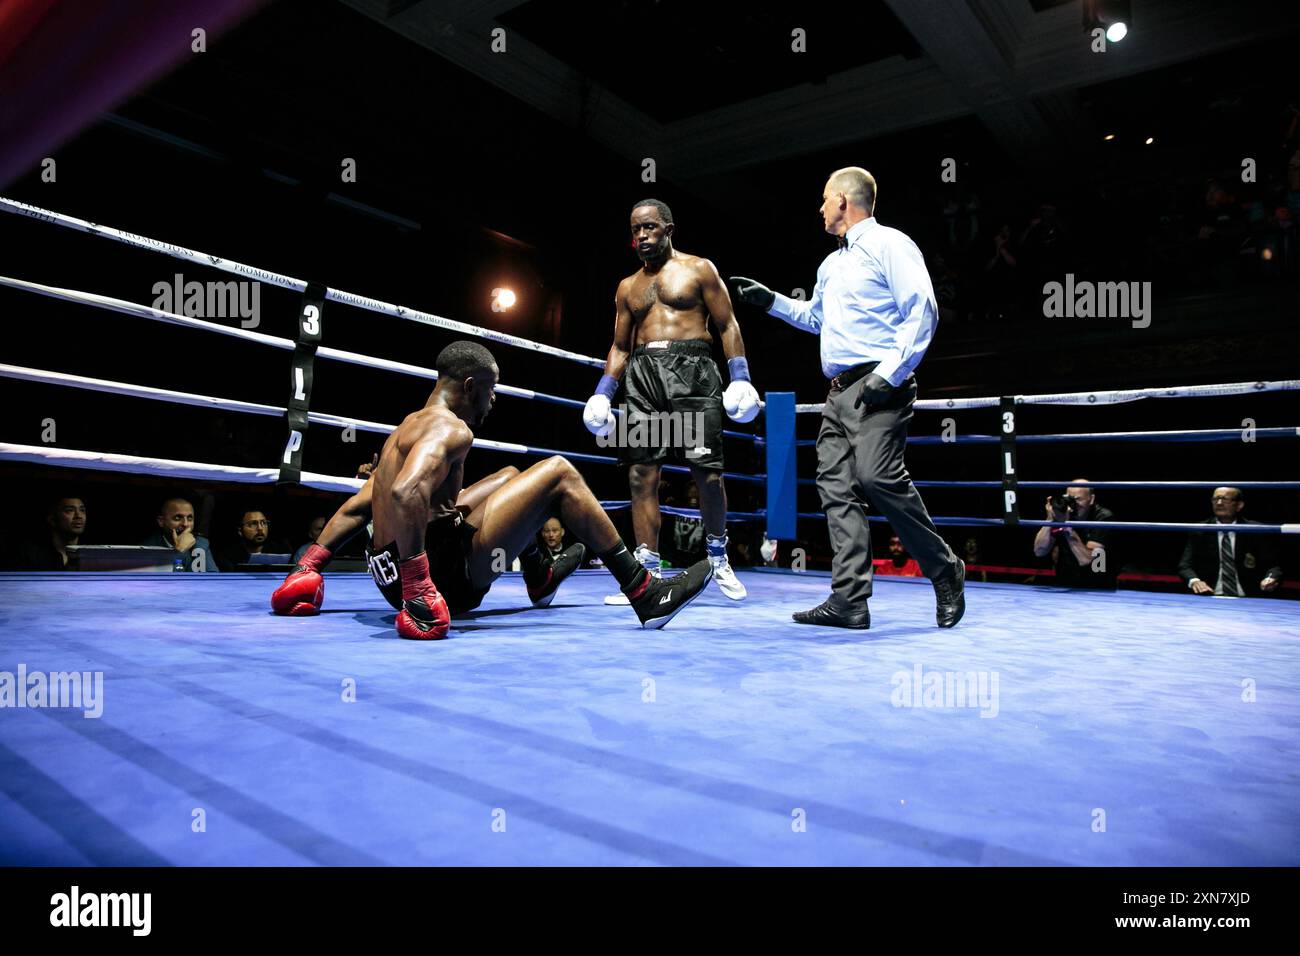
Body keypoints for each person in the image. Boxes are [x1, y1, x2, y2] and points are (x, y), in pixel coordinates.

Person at [272, 340, 714, 637]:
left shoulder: (404, 430)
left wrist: (309, 567)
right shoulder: (451, 431)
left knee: (507, 476)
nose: (494, 399)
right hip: (441, 580)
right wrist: (420, 590)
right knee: (558, 472)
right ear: (470, 386)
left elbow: (361, 505)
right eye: (491, 389)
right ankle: (645, 592)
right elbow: (407, 494)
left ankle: (539, 576)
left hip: (389, 574)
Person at [730, 167, 965, 630]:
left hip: (880, 384)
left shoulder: (891, 244)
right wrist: (770, 301)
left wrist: (891, 373)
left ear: (842, 200)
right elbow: (817, 318)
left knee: (877, 478)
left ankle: (945, 570)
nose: (819, 209)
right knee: (836, 489)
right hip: (837, 392)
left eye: (823, 200)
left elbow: (923, 308)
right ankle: (849, 600)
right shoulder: (831, 264)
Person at [584, 198, 757, 605]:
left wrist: (741, 377)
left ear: (669, 228)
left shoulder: (699, 269)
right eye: (635, 231)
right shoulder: (628, 287)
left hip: (694, 373)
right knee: (641, 475)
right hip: (644, 377)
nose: (641, 237)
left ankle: (717, 558)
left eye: (649, 228)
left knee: (707, 474)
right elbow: (620, 347)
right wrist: (602, 392)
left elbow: (727, 324)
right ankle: (646, 573)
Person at [1178, 487, 1283, 597]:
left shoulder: (1255, 530)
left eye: (1224, 499)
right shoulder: (1200, 530)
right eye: (1215, 499)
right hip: (1209, 596)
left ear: (1239, 505)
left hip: (1249, 597)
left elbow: (1273, 566)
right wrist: (1195, 581)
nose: (1219, 503)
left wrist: (1270, 578)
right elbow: (1185, 566)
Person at [1031, 480, 1116, 589]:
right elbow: (1039, 551)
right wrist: (1050, 519)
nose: (1074, 504)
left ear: (1092, 499)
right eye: (1070, 499)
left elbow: (1086, 560)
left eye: (1078, 499)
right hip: (1065, 586)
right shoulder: (1063, 514)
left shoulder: (1103, 518)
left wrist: (1067, 526)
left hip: (1097, 587)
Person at [142, 496, 218, 572]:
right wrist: (178, 552)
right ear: (161, 521)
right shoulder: (147, 549)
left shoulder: (200, 544)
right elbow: (165, 582)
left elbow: (215, 580)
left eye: (189, 518)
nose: (185, 524)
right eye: (178, 518)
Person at [11, 495, 86, 570]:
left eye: (82, 510)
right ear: (52, 519)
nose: (78, 516)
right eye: (69, 510)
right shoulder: (30, 555)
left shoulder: (92, 555)